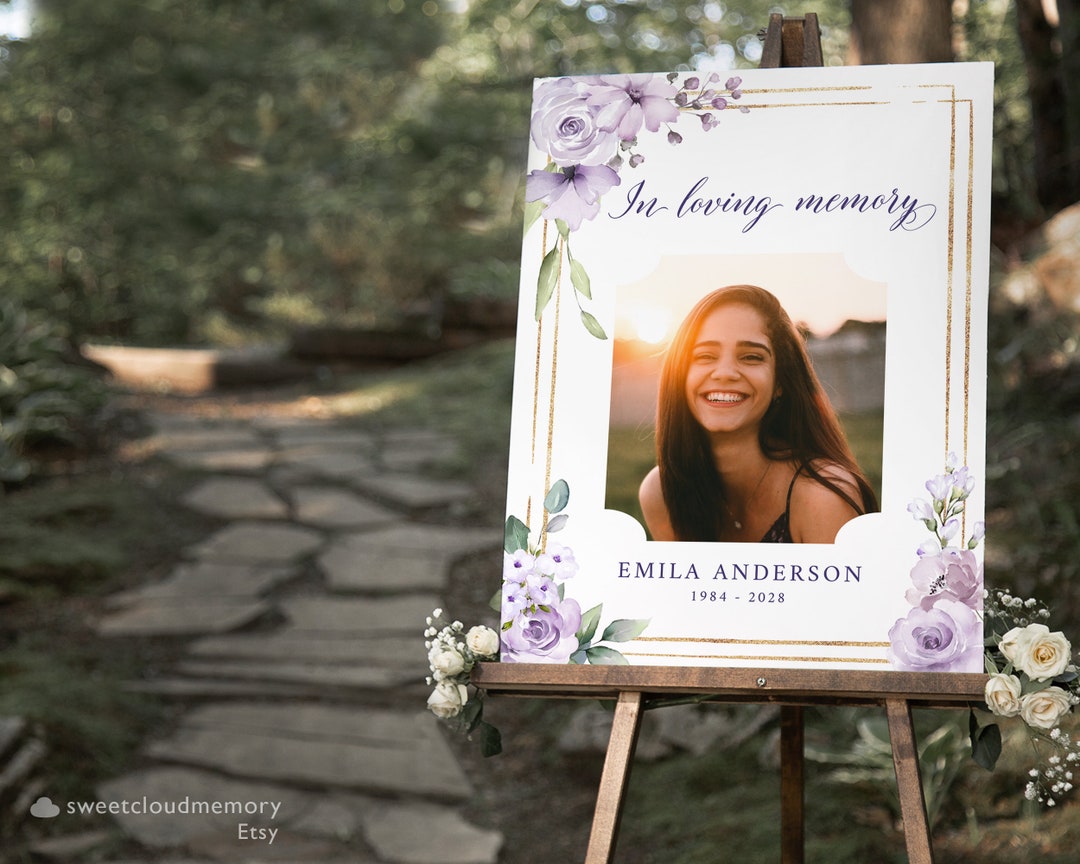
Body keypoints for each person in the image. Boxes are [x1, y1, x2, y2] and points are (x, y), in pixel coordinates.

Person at [638, 284, 878, 543]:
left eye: (751, 357)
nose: (725, 373)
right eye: (705, 356)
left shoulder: (823, 498)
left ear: (779, 383)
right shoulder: (661, 493)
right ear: (680, 375)